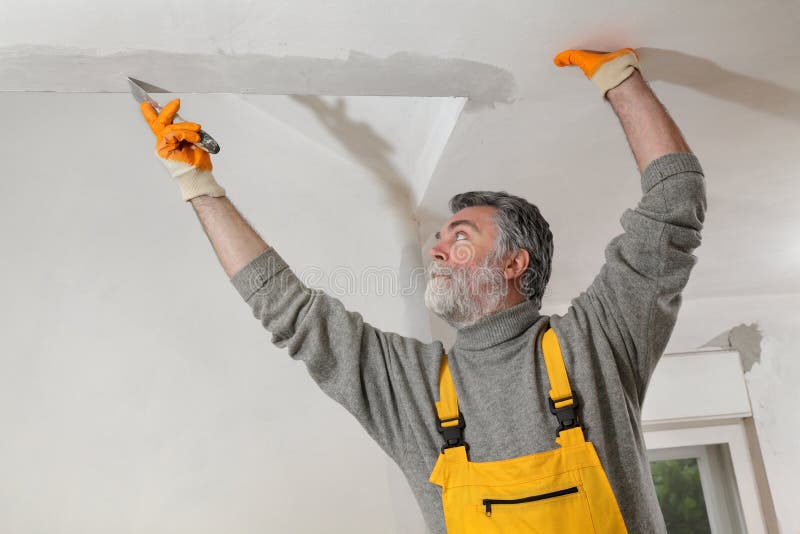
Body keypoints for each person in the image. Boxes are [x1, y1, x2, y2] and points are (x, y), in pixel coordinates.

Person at [138, 48, 706, 533]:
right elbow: (287, 309)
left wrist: (618, 77)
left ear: (514, 263)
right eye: (438, 238)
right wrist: (198, 184)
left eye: (460, 237)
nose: (436, 250)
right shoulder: (411, 387)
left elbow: (673, 205)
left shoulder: (597, 343)